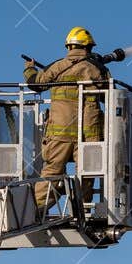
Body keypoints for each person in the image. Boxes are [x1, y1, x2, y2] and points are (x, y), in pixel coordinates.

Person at [23, 26, 112, 212]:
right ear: (88, 47)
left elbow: (36, 84)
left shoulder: (57, 66)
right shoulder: (97, 69)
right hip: (88, 134)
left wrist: (29, 69)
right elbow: (110, 96)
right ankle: (82, 209)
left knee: (52, 171)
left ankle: (37, 209)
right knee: (87, 172)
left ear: (69, 47)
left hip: (59, 133)